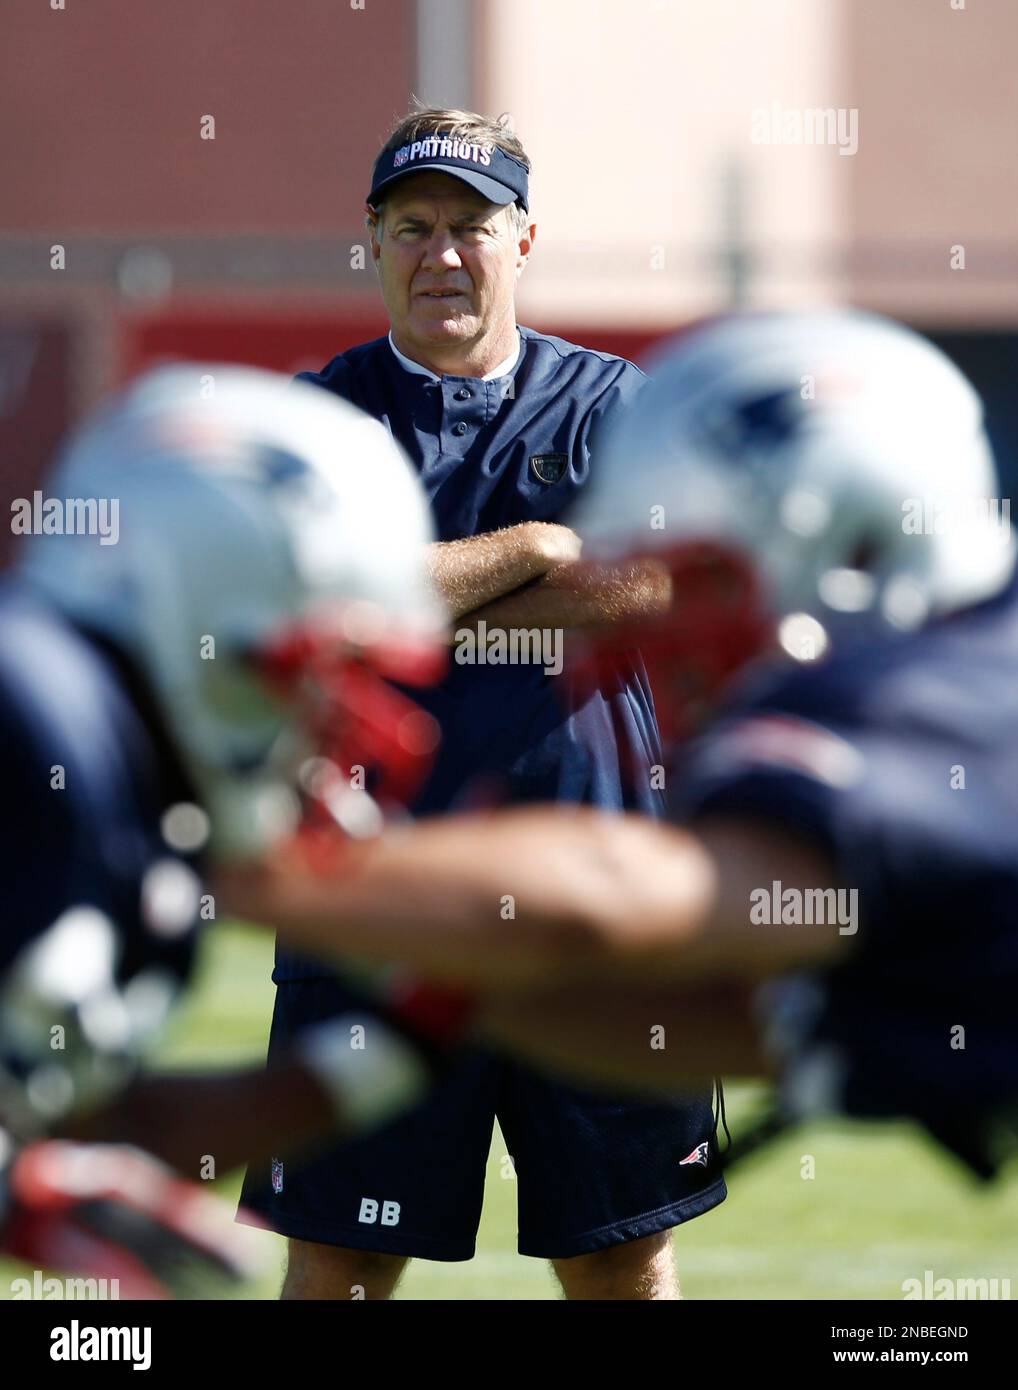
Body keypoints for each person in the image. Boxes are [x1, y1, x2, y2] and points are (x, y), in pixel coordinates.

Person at [221, 310, 1018, 1183]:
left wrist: (236, 862)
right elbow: (730, 1018)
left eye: (705, 576)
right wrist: (434, 981)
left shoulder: (930, 708)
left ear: (858, 551)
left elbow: (607, 896)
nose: (668, 622)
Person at [238, 104, 725, 1302]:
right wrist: (539, 544)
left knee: (622, 1257)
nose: (441, 253)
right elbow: (301, 606)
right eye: (412, 226)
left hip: (593, 901)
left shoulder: (616, 404)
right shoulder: (317, 425)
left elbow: (664, 590)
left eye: (471, 224)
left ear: (524, 241)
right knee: (341, 1264)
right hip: (369, 912)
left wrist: (412, 611)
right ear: (372, 242)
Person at [0, 365, 449, 1293]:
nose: (335, 716)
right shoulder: (34, 722)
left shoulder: (136, 811)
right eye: (320, 665)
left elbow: (89, 1127)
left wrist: (406, 1043)